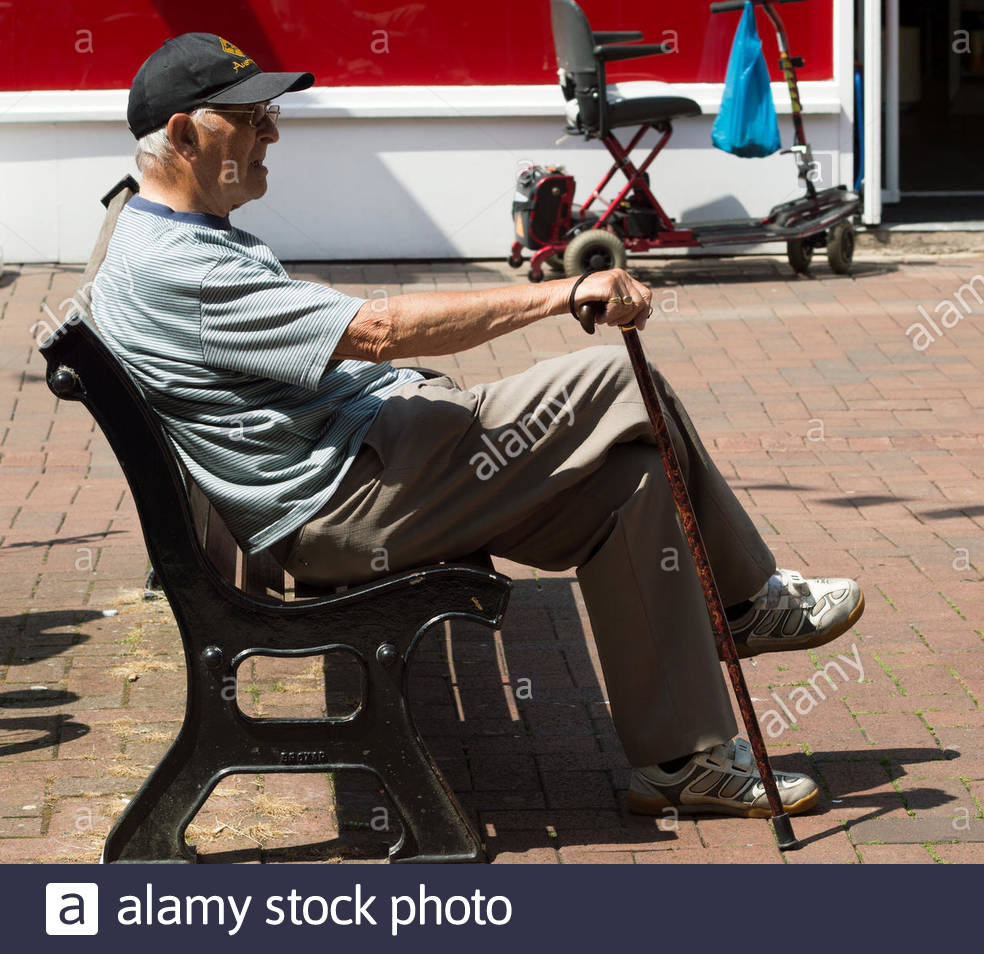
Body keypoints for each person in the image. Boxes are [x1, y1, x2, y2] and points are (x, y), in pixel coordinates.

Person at [93, 33, 864, 821]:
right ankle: (745, 603)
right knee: (613, 383)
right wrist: (564, 294)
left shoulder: (170, 236)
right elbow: (381, 328)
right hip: (344, 504)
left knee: (629, 486)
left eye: (272, 113)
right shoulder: (180, 267)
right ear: (186, 134)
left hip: (357, 469)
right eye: (254, 117)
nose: (274, 133)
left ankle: (681, 761)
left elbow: (336, 350)